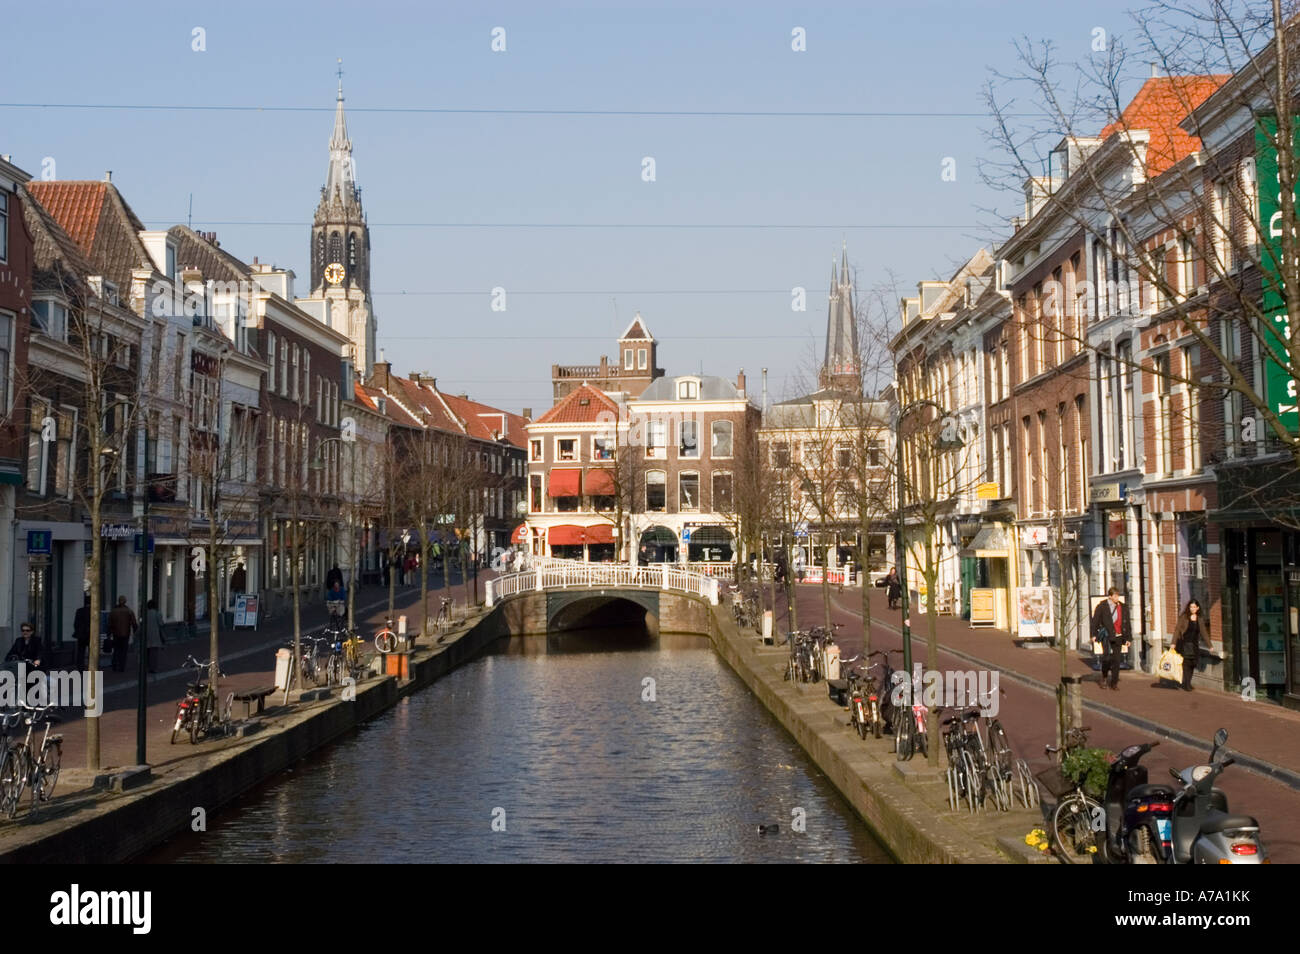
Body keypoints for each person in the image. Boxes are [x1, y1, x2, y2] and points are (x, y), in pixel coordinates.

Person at [1091, 587, 1132, 691]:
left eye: (1118, 595)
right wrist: (1093, 634)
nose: (1117, 597)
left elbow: (1127, 624)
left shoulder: (1123, 607)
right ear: (1110, 596)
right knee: (1106, 658)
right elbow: (1095, 621)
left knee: (1117, 660)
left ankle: (1114, 682)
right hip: (1107, 636)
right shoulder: (1102, 606)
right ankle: (1104, 677)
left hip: (1119, 636)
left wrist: (1128, 638)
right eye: (1115, 596)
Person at [1173, 599, 1208, 692]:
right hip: (1184, 643)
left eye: (1194, 607)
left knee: (1193, 663)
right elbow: (1177, 630)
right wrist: (1173, 643)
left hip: (1194, 644)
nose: (1192, 609)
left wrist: (1210, 645)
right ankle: (1187, 684)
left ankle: (1187, 682)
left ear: (1197, 608)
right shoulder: (1184, 617)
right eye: (1191, 607)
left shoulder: (1199, 619)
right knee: (1186, 663)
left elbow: (1204, 632)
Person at [107, 596, 138, 673]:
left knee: (116, 649)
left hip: (116, 633)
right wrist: (135, 632)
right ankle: (121, 666)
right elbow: (134, 623)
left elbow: (109, 623)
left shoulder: (113, 611)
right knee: (123, 651)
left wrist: (109, 633)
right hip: (125, 633)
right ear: (125, 601)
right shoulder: (129, 611)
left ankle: (114, 664)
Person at [141, 599, 165, 675]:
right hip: (155, 635)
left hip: (146, 635)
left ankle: (147, 666)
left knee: (147, 652)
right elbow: (161, 624)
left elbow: (141, 624)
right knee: (154, 653)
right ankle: (153, 668)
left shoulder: (145, 614)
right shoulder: (157, 614)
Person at [72, 595, 91, 671]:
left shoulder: (79, 610)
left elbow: (75, 623)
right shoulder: (93, 611)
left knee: (81, 651)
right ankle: (90, 666)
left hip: (81, 635)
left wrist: (78, 631)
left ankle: (80, 667)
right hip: (90, 634)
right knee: (92, 652)